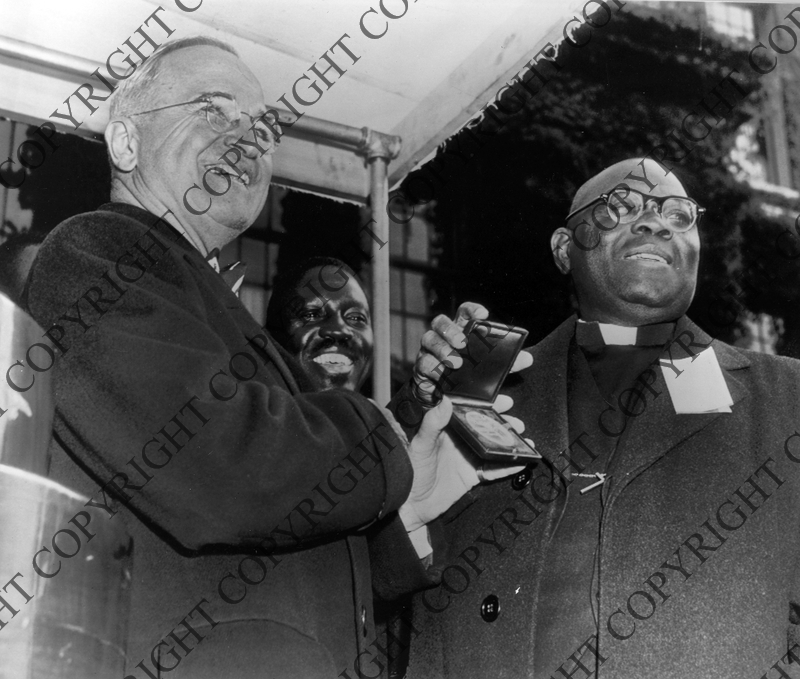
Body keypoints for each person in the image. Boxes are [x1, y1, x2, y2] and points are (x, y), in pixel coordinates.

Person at [22, 37, 511, 679]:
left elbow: (281, 555)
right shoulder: (99, 252)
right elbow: (213, 464)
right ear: (125, 142)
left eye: (261, 126)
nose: (249, 138)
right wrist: (382, 440)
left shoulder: (222, 323)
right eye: (215, 108)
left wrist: (405, 508)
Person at [400, 158, 800, 679]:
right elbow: (398, 584)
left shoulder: (785, 399)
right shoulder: (481, 397)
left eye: (679, 215)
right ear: (565, 249)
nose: (656, 223)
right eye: (622, 207)